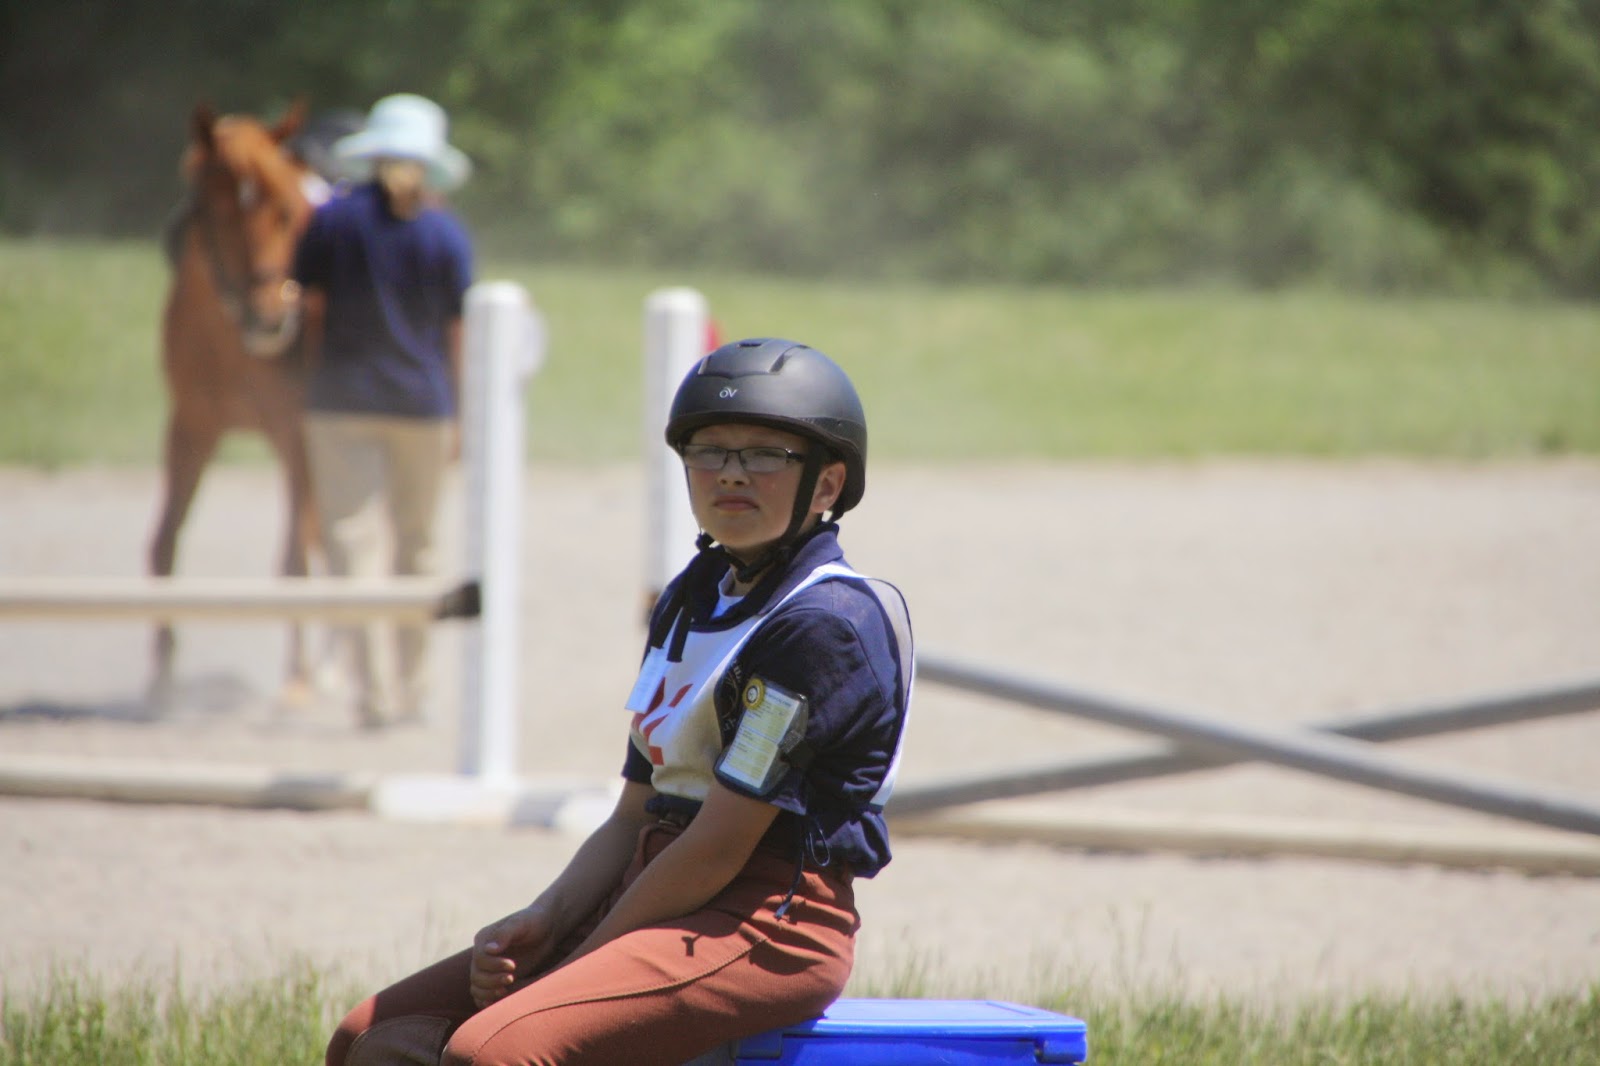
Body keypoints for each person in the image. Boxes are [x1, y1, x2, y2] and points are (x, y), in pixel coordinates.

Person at [326, 338, 915, 1065]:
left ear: (826, 486)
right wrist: (548, 918)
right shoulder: (689, 598)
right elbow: (636, 810)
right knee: (365, 1038)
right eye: (709, 450)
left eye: (765, 454)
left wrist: (577, 964)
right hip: (654, 885)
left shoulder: (820, 626)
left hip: (765, 921)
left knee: (494, 1051)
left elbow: (719, 845)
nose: (731, 472)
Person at [291, 93, 475, 728]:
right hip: (423, 406)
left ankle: (370, 696)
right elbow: (460, 333)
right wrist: (463, 412)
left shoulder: (332, 220)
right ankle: (414, 690)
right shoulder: (446, 232)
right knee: (418, 549)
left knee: (351, 548)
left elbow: (306, 309)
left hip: (339, 404)